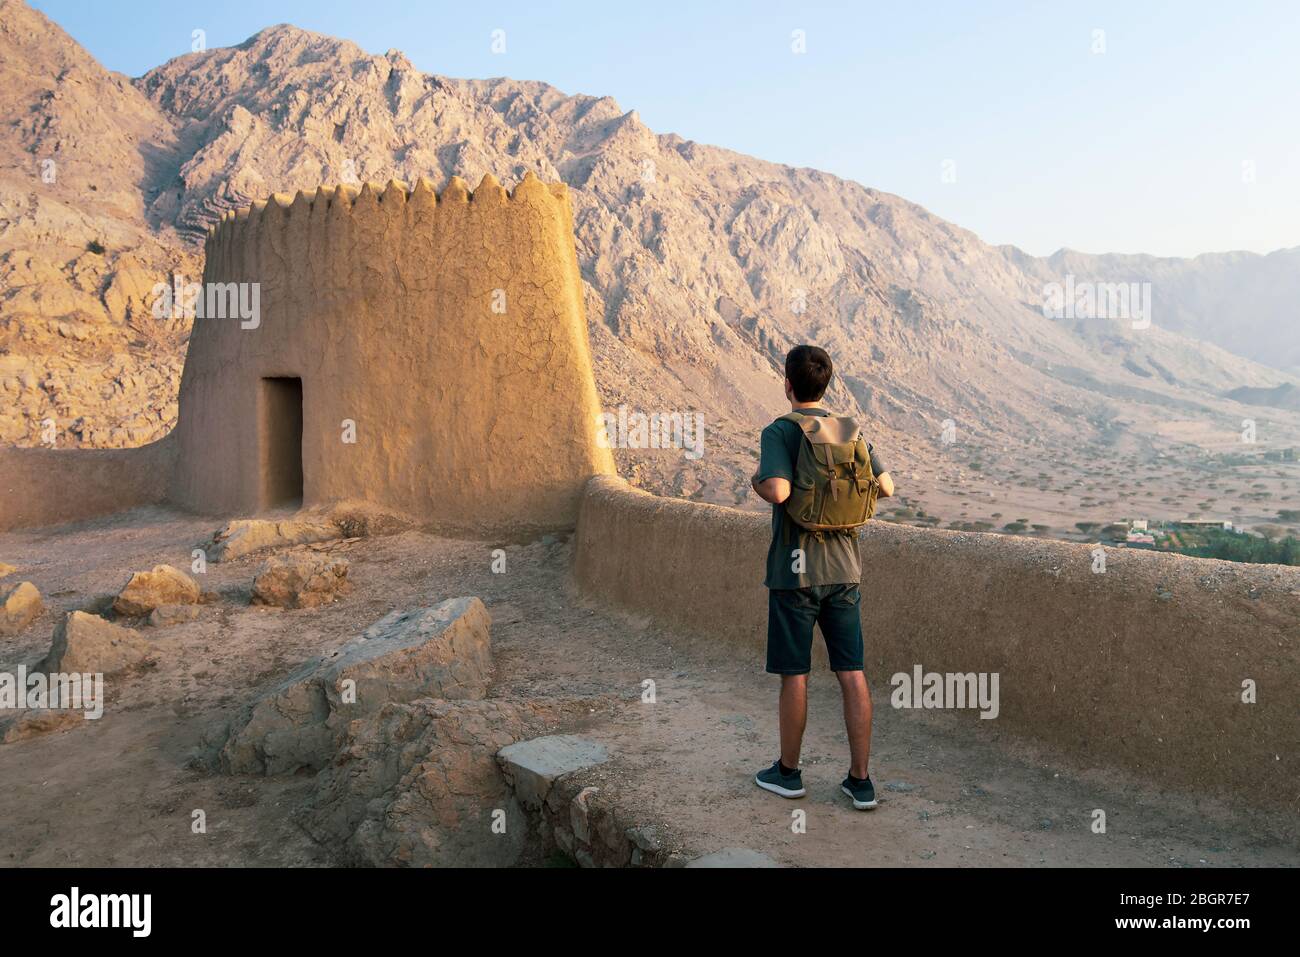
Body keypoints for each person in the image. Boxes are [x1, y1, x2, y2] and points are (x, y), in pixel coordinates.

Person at [750, 344, 895, 810]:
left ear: (787, 383)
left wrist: (756, 482)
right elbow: (887, 486)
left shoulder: (780, 431)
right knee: (852, 673)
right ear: (826, 384)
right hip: (845, 573)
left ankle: (789, 774)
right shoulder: (848, 429)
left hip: (796, 574)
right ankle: (861, 781)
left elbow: (777, 490)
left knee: (796, 674)